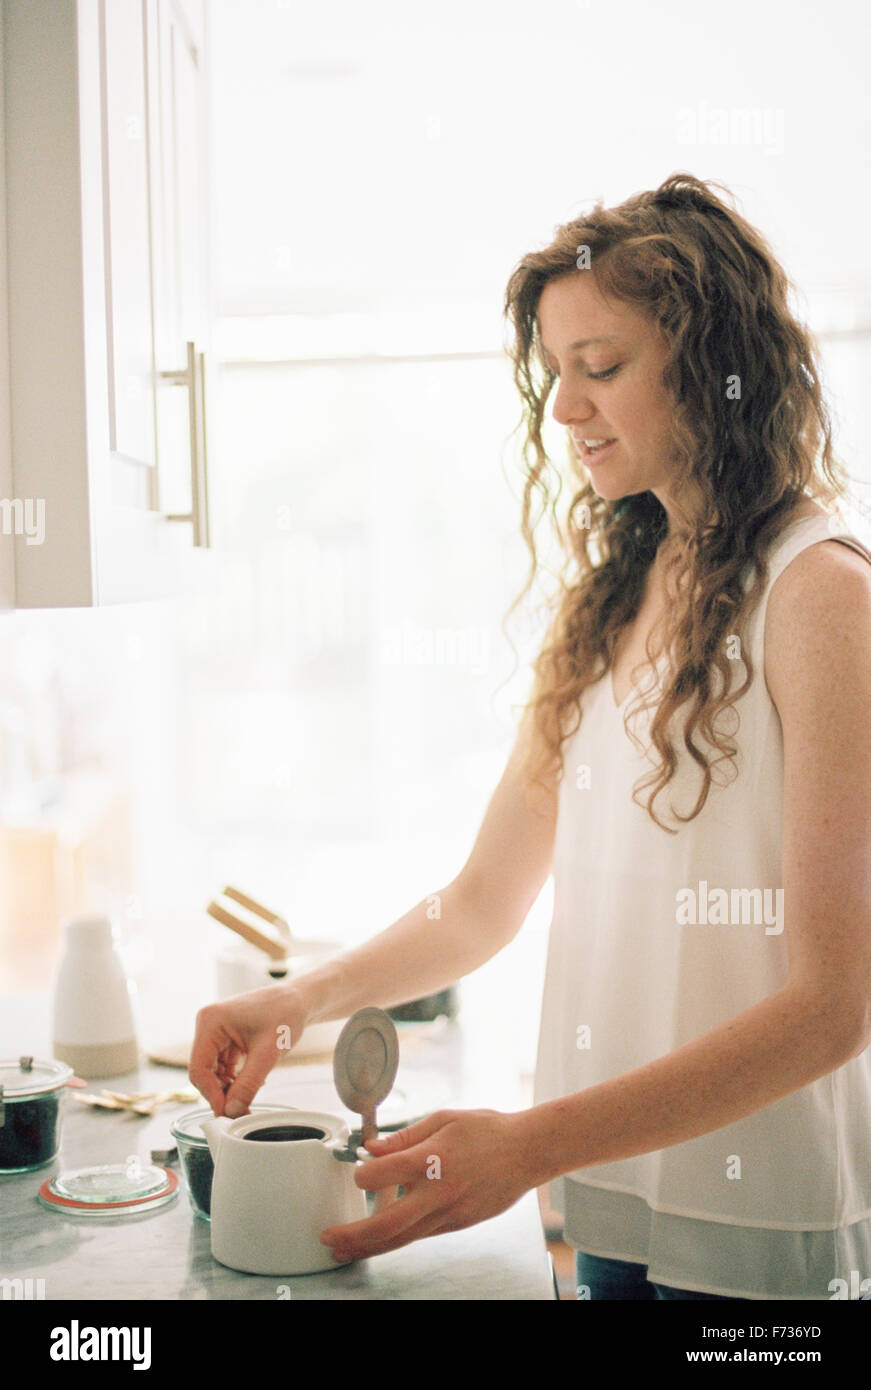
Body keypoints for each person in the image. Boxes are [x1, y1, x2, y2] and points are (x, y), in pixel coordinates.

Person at [189, 173, 871, 1300]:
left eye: (599, 366)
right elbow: (484, 900)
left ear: (713, 367)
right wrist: (298, 999)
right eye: (557, 373)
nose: (565, 407)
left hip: (758, 1228)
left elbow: (833, 1004)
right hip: (609, 1188)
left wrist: (533, 1140)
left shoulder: (819, 596)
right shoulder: (612, 596)